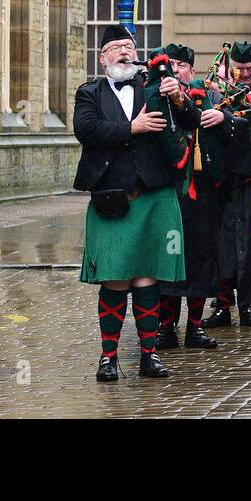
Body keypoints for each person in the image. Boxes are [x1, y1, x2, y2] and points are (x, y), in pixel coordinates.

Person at [73, 25, 196, 382]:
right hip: (113, 198)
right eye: (115, 48)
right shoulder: (90, 93)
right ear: (102, 58)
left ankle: (149, 355)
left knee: (146, 278)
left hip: (155, 195)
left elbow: (191, 122)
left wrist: (178, 98)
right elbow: (87, 130)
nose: (124, 53)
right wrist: (133, 128)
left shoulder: (155, 86)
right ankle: (108, 358)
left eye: (129, 46)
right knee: (113, 278)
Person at [156, 44, 224, 351]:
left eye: (181, 64)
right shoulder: (154, 96)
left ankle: (194, 327)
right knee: (168, 260)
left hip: (200, 193)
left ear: (191, 71)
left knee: (199, 259)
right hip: (167, 193)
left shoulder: (205, 97)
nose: (176, 69)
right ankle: (165, 327)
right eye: (170, 64)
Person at [203, 41, 251, 327]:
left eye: (250, 68)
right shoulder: (214, 93)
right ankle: (222, 305)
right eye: (239, 68)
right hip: (223, 183)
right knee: (221, 247)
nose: (245, 74)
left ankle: (247, 303)